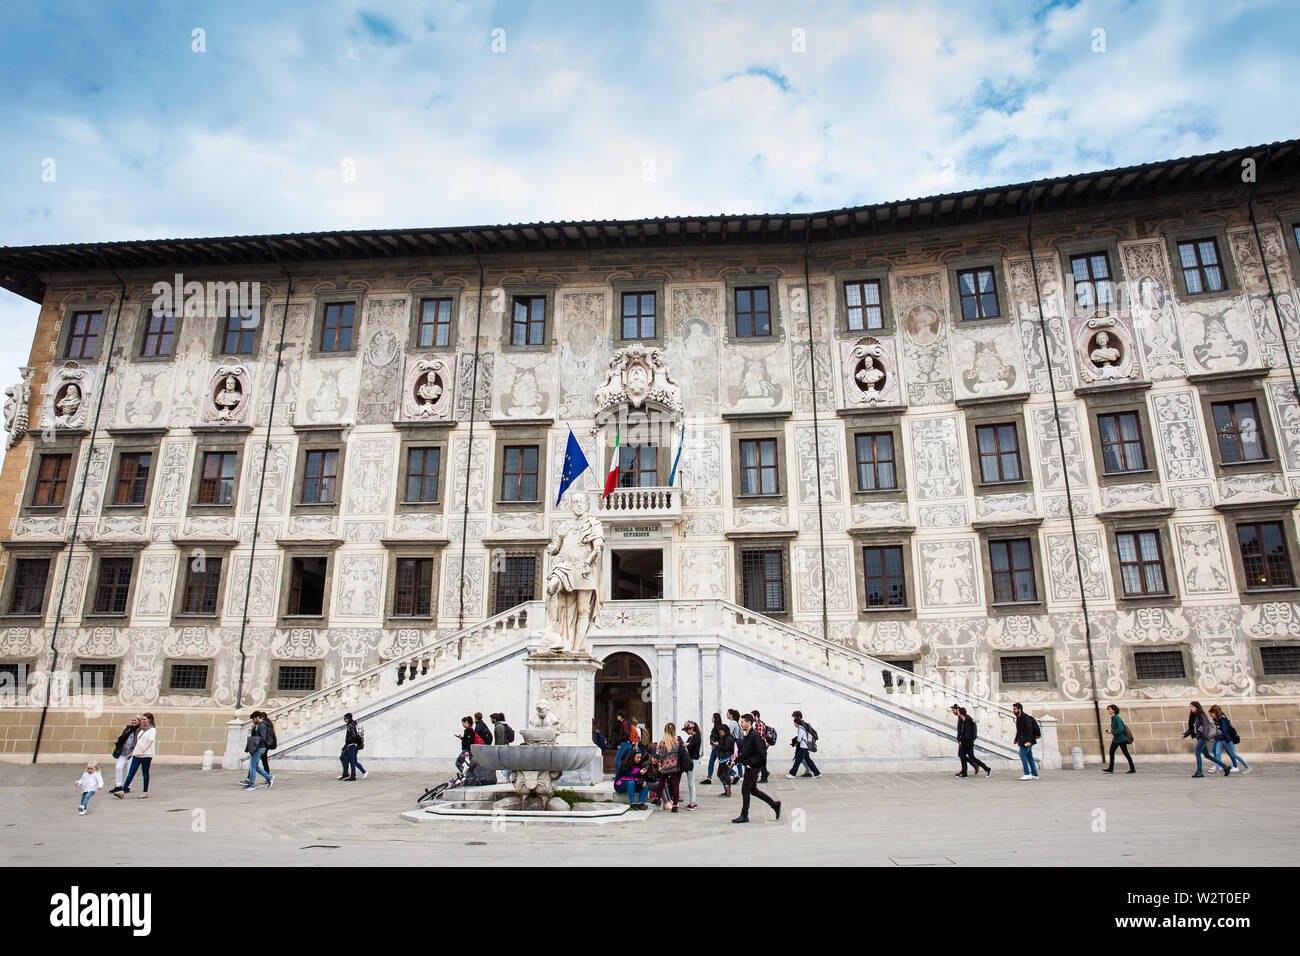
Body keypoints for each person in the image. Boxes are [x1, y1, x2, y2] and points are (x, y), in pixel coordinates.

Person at [732, 713, 780, 824]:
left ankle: (744, 815)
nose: (741, 724)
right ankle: (774, 804)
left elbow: (762, 753)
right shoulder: (748, 735)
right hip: (750, 766)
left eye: (742, 722)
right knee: (753, 790)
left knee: (745, 790)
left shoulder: (755, 736)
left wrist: (751, 764)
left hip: (752, 767)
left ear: (749, 722)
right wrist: (734, 761)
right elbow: (745, 753)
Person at [1181, 700, 1230, 778]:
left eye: (1192, 707)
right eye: (1190, 707)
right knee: (1207, 755)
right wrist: (1185, 734)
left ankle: (1199, 771)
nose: (1191, 708)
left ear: (1197, 707)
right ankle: (1225, 767)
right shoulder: (1194, 716)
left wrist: (1204, 737)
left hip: (1203, 737)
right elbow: (1192, 728)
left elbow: (1206, 726)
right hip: (1201, 737)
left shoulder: (1201, 715)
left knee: (1197, 752)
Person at [116, 713, 156, 798]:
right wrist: (132, 753)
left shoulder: (152, 730)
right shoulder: (141, 730)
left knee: (145, 773)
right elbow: (138, 742)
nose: (143, 721)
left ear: (149, 720)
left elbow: (150, 741)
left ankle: (145, 791)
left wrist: (142, 751)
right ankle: (123, 791)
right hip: (136, 754)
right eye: (142, 719)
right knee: (131, 772)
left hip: (146, 755)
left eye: (145, 719)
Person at [1208, 704, 1251, 774]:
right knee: (1217, 753)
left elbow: (1224, 731)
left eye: (1211, 714)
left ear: (1214, 712)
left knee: (1233, 754)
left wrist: (1217, 732)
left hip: (1226, 739)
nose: (1211, 716)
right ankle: (1217, 768)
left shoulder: (1223, 719)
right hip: (1221, 740)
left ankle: (1247, 767)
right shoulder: (1217, 720)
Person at [655, 723, 685, 812]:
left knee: (662, 781)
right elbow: (684, 750)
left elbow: (660, 755)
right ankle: (675, 805)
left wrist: (660, 765)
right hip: (677, 766)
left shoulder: (663, 742)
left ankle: (658, 798)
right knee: (676, 785)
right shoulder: (679, 740)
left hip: (666, 766)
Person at [242, 711, 275, 790]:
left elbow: (263, 737)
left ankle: (251, 784)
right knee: (254, 766)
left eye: (253, 719)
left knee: (253, 766)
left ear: (257, 717)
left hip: (259, 747)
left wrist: (254, 740)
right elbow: (255, 735)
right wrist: (254, 728)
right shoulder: (259, 725)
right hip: (258, 747)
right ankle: (269, 777)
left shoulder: (263, 725)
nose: (253, 721)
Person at [109, 716, 140, 794]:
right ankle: (118, 785)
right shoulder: (128, 728)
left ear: (139, 722)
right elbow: (122, 737)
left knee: (130, 770)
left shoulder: (139, 730)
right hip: (123, 753)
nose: (133, 722)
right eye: (132, 720)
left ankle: (127, 786)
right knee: (118, 767)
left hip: (132, 753)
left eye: (135, 720)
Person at [957, 707, 991, 778]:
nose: (957, 712)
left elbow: (967, 734)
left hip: (968, 743)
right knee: (963, 757)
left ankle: (987, 768)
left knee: (972, 758)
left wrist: (961, 741)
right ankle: (964, 774)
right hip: (965, 742)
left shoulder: (968, 721)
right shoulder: (964, 720)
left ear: (960, 712)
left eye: (958, 711)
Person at [1102, 704, 1136, 774]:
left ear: (1114, 710)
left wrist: (1111, 731)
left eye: (1110, 709)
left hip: (1121, 739)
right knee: (1111, 751)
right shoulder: (1113, 717)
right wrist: (1111, 731)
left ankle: (1132, 768)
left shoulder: (1117, 718)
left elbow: (1120, 728)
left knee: (1125, 753)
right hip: (1116, 739)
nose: (1108, 710)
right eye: (1108, 709)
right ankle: (1111, 768)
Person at [1011, 703, 1038, 780]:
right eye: (1013, 709)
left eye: (1015, 709)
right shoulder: (1018, 718)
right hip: (1023, 740)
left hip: (1027, 741)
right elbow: (1019, 730)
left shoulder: (1025, 718)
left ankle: (1027, 773)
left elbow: (1029, 730)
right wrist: (1016, 739)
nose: (1013, 711)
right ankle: (1035, 774)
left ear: (1019, 709)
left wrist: (1029, 741)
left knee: (1022, 754)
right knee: (1029, 757)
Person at [681, 720, 701, 810]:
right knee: (690, 782)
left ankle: (693, 802)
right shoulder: (691, 737)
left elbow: (689, 746)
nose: (686, 732)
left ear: (692, 728)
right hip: (690, 760)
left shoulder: (696, 737)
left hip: (694, 760)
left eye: (687, 730)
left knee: (691, 782)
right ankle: (692, 801)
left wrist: (684, 744)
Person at [340, 712, 366, 781]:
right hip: (349, 744)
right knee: (342, 757)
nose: (344, 720)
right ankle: (345, 773)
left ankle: (353, 776)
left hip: (351, 744)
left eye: (345, 718)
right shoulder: (349, 724)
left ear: (348, 718)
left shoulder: (351, 725)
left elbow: (353, 735)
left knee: (352, 760)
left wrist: (349, 741)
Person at [715, 720, 738, 797]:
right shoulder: (725, 737)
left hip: (727, 759)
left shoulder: (728, 738)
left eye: (721, 732)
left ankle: (727, 788)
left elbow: (726, 748)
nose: (720, 734)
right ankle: (726, 786)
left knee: (726, 775)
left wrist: (717, 745)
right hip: (723, 759)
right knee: (720, 774)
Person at [751, 709, 773, 783]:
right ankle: (765, 773)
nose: (751, 718)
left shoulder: (759, 724)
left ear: (756, 716)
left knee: (760, 761)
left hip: (761, 745)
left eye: (752, 716)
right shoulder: (759, 723)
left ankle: (764, 776)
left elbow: (759, 736)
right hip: (762, 745)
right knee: (761, 760)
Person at [703, 712, 723, 784]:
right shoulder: (716, 727)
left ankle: (734, 774)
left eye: (713, 717)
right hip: (714, 748)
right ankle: (709, 778)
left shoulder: (718, 728)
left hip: (717, 748)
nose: (712, 718)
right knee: (711, 762)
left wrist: (715, 744)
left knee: (722, 762)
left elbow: (720, 738)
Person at [612, 710, 632, 779]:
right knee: (627, 761)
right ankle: (627, 775)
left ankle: (618, 776)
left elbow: (627, 734)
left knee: (617, 759)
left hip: (625, 744)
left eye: (618, 716)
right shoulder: (626, 723)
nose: (617, 717)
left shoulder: (624, 723)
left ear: (620, 716)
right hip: (627, 744)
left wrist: (621, 739)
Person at [950, 703, 964, 776]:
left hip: (963, 740)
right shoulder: (959, 717)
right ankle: (965, 769)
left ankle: (965, 770)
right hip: (961, 739)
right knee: (962, 755)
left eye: (953, 710)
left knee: (962, 755)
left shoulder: (962, 718)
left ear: (957, 710)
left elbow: (963, 730)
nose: (953, 712)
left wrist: (961, 740)